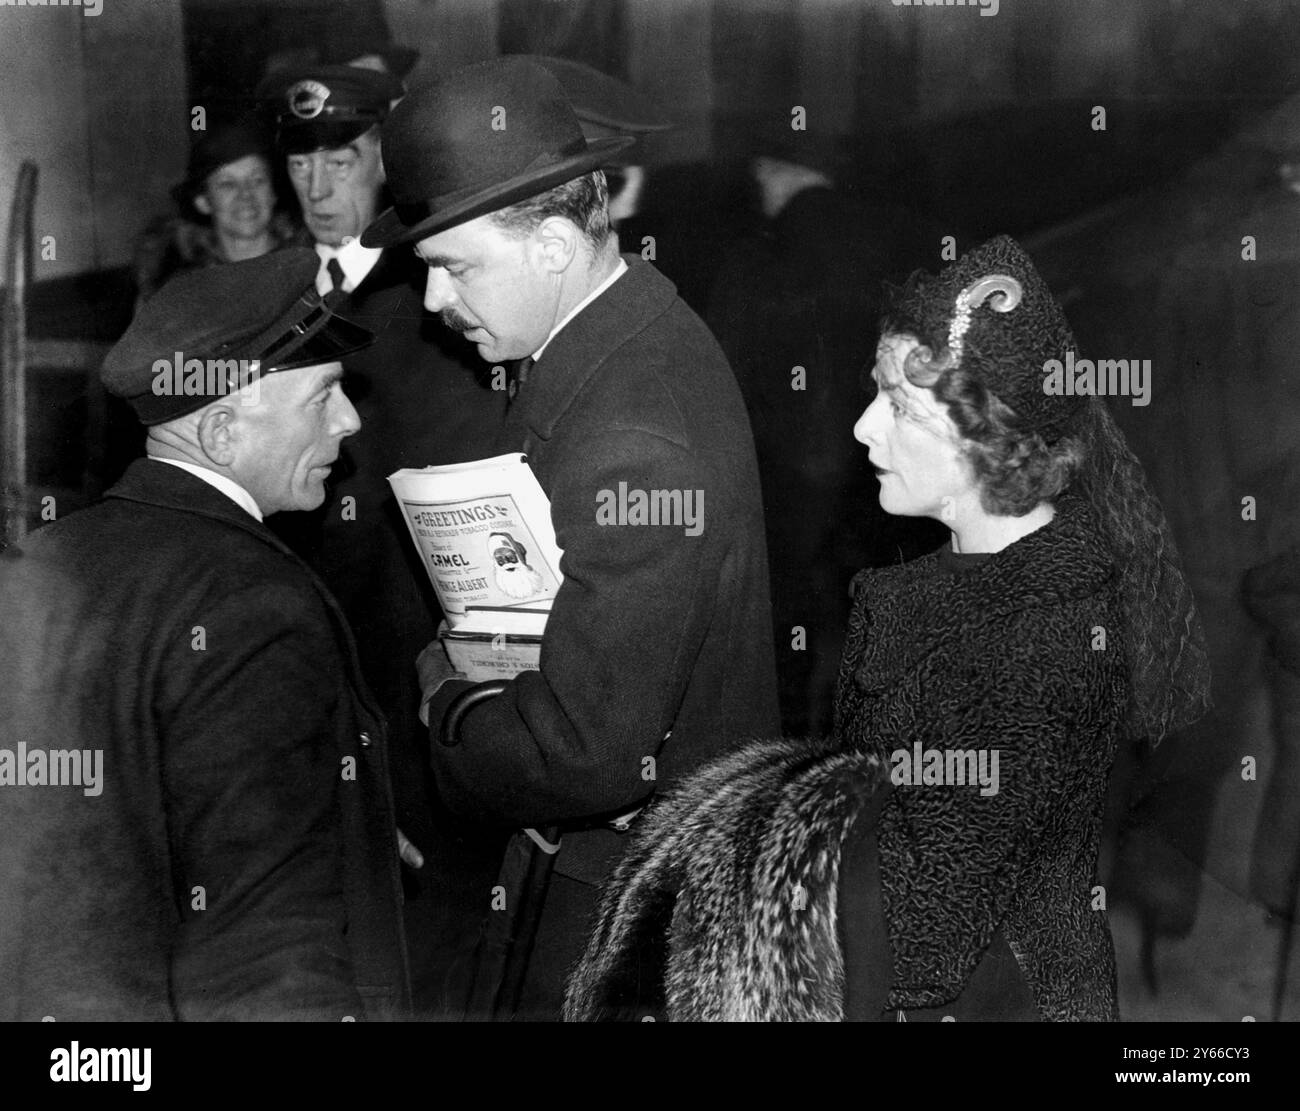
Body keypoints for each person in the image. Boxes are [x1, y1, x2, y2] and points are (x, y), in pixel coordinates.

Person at [565, 236, 1211, 1022]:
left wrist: (737, 842)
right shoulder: (932, 590)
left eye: (898, 406)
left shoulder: (1050, 641)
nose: (864, 428)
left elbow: (922, 935)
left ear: (986, 432)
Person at [361, 57, 781, 1018]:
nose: (433, 305)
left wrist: (446, 698)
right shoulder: (612, 345)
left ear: (552, 243)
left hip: (627, 896)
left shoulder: (632, 432)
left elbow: (588, 752)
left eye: (453, 269)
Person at [0, 249, 410, 1021]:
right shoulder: (254, 605)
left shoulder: (48, 558)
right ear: (221, 431)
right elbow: (263, 954)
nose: (350, 419)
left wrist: (336, 829)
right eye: (323, 395)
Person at [257, 62, 509, 1014]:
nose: (319, 188)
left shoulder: (445, 310)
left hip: (413, 693)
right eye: (300, 164)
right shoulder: (264, 302)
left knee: (429, 960)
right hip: (303, 691)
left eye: (345, 157)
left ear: (385, 158)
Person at [132, 120, 296, 304]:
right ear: (203, 202)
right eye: (228, 184)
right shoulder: (180, 291)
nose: (246, 195)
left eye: (257, 180)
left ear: (273, 193)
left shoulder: (306, 268)